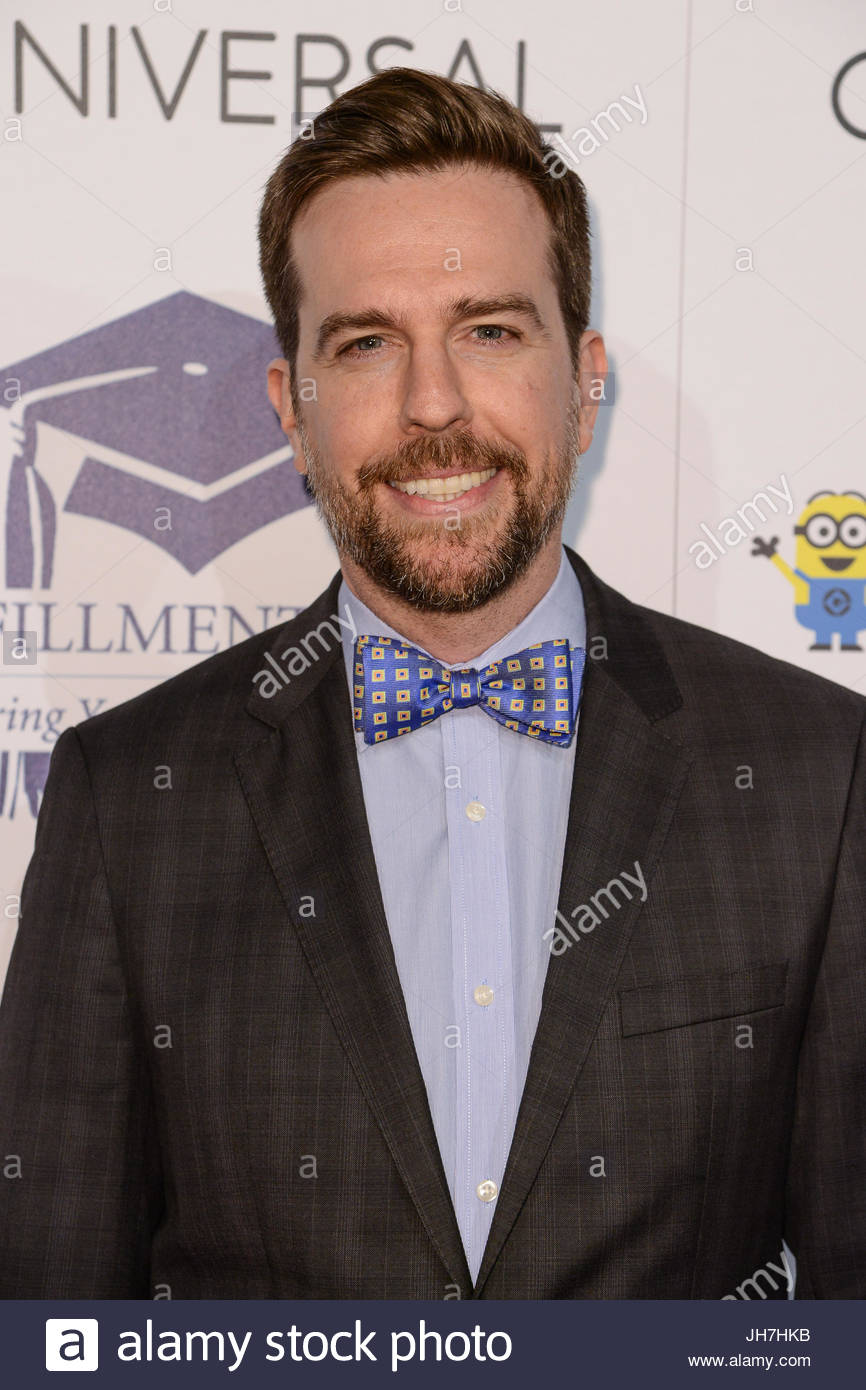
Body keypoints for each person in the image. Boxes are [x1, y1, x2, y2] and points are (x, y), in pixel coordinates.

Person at [0, 67, 863, 1301]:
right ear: (290, 410)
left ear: (585, 380)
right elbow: (47, 1326)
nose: (433, 405)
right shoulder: (132, 795)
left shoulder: (811, 774)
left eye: (490, 330)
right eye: (364, 345)